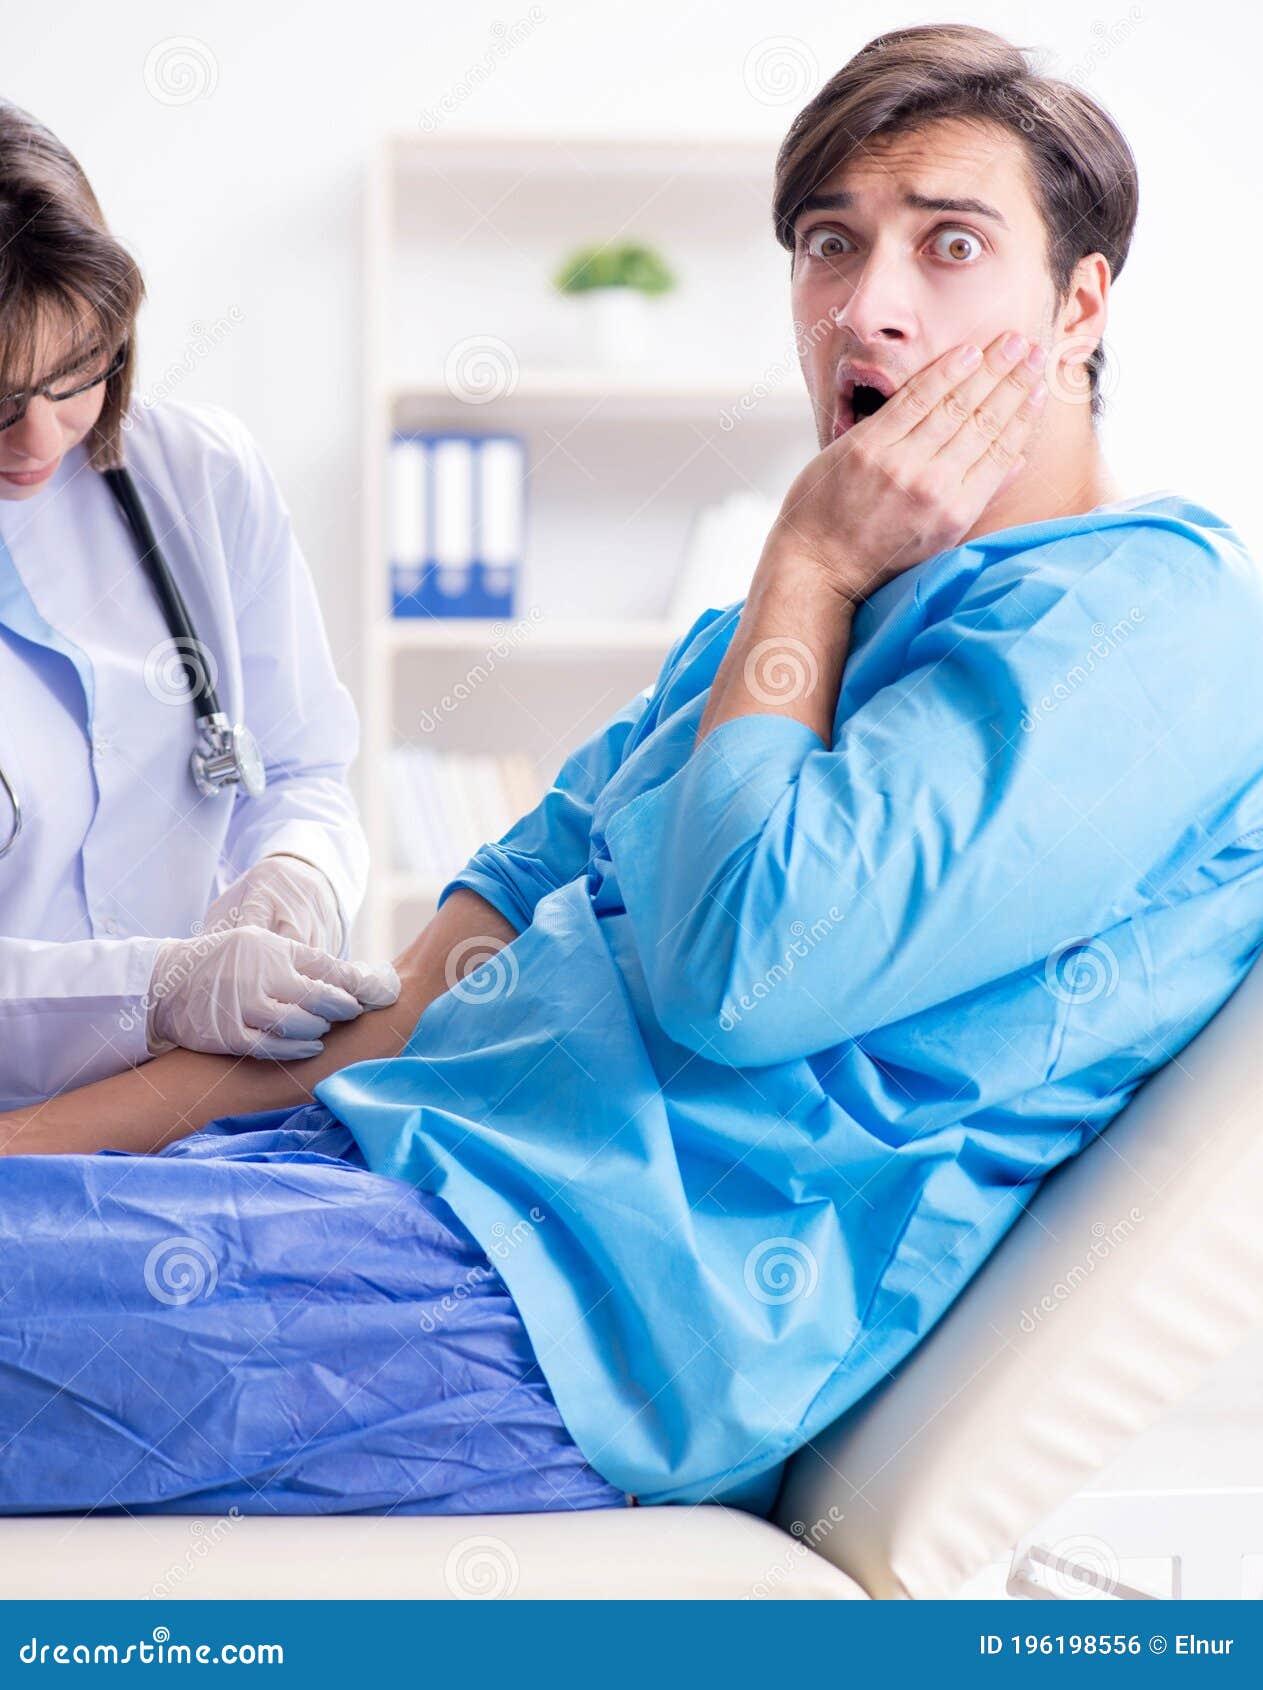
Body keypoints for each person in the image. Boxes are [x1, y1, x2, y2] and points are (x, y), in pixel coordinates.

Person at [4, 24, 1263, 1520]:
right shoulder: (750, 649)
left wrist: (805, 552)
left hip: (552, 1313)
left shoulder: (1150, 619)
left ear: (1076, 304)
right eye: (825, 245)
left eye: (947, 245)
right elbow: (417, 994)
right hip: (366, 1171)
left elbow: (746, 969)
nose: (868, 309)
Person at [0, 101, 399, 1114]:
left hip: (201, 1113)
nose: (41, 438)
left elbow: (303, 767)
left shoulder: (196, 476)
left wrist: (293, 879)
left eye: (74, 375)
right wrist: (158, 988)